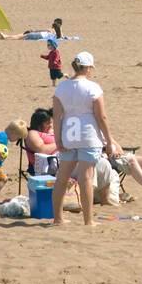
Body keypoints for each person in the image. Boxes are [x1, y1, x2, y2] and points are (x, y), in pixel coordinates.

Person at [52, 52, 120, 227]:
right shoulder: (93, 88)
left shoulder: (61, 88)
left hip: (69, 135)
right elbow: (101, 117)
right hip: (88, 136)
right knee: (86, 178)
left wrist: (58, 139)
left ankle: (58, 218)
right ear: (88, 68)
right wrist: (109, 141)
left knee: (62, 177)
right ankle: (88, 220)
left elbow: (57, 116)